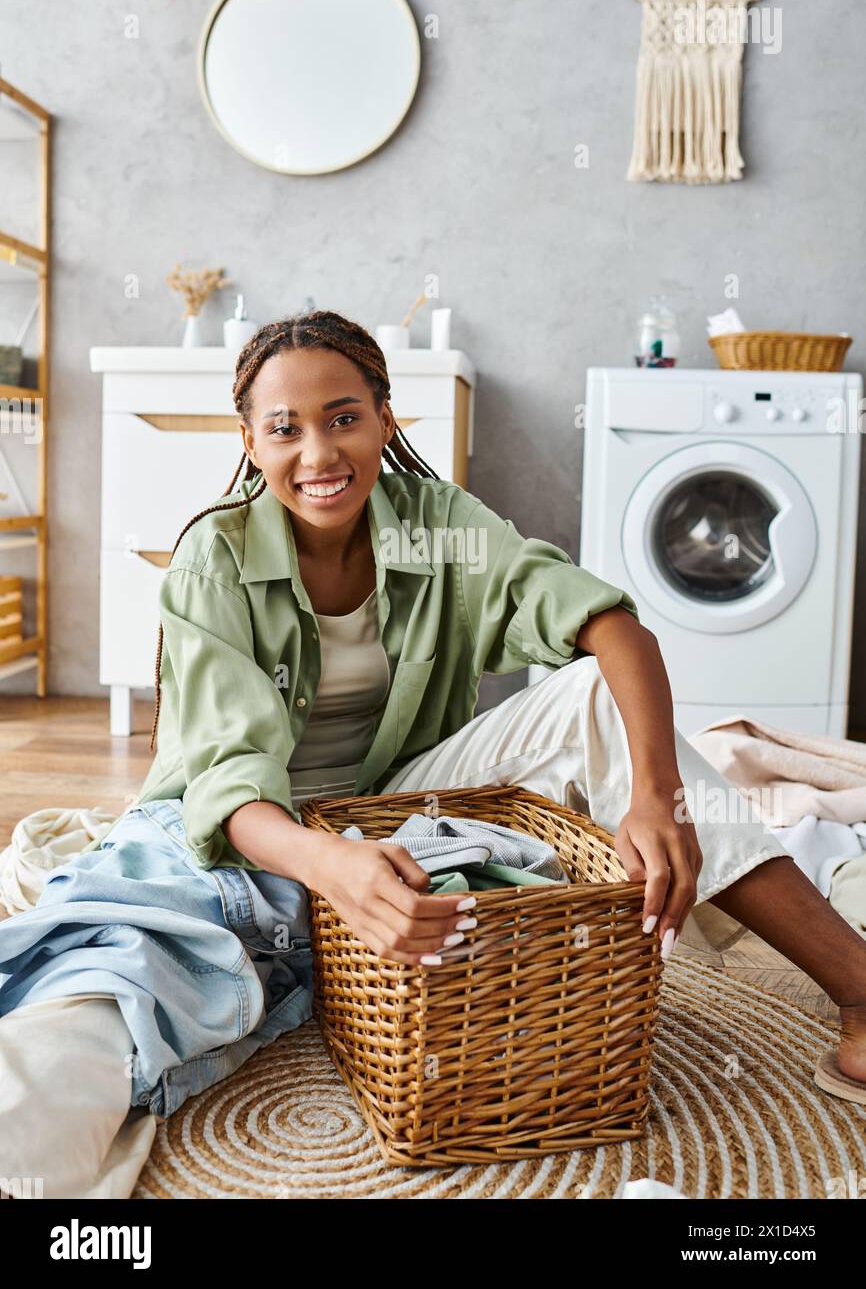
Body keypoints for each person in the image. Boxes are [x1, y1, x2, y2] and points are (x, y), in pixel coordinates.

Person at [2, 309, 866, 1199]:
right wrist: (333, 868)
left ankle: (861, 994)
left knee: (588, 695)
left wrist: (656, 794)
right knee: (106, 991)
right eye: (284, 428)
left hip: (393, 805)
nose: (318, 454)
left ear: (384, 416)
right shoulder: (213, 560)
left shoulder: (435, 527)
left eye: (343, 417)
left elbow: (606, 623)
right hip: (255, 838)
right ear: (251, 441)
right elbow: (227, 786)